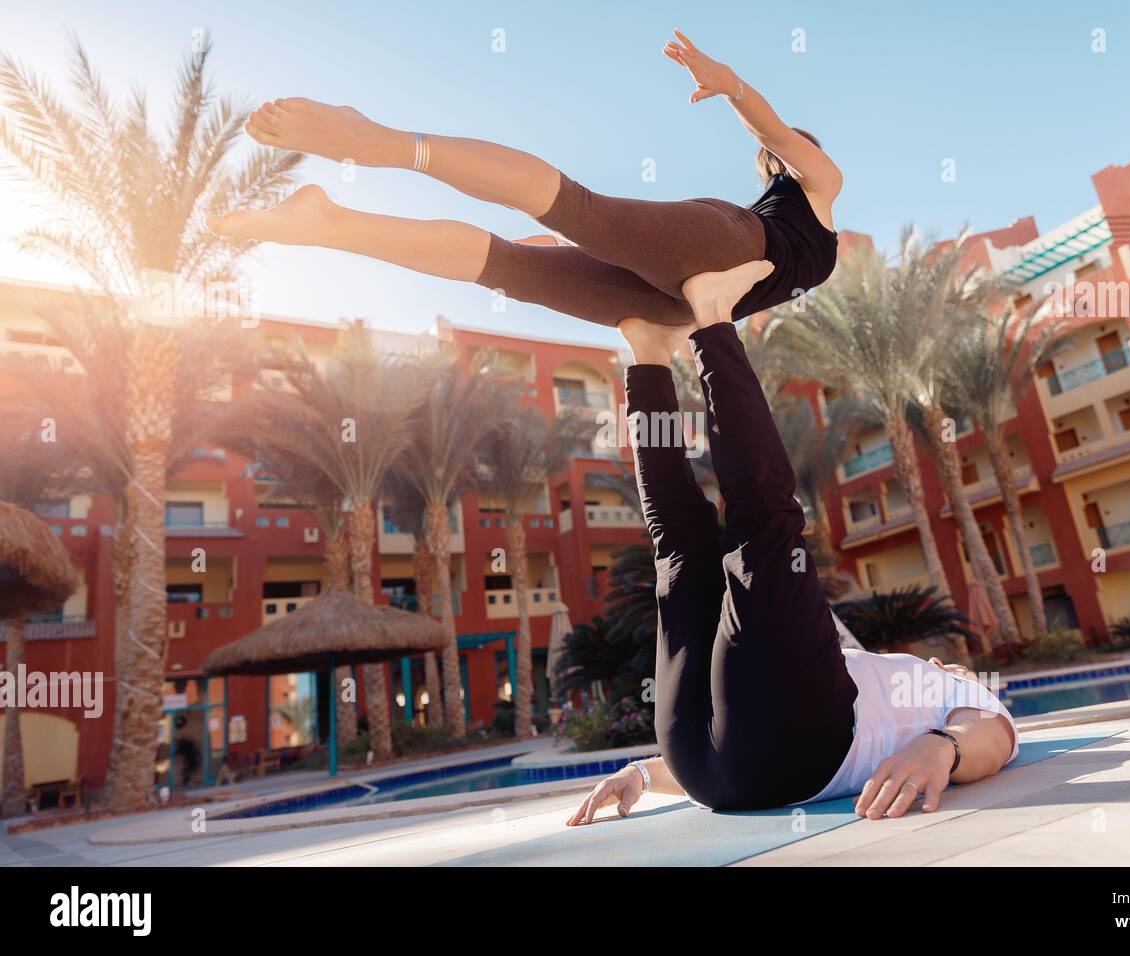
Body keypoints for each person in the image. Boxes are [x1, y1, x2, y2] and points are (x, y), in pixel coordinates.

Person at [565, 291, 1019, 824]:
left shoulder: (962, 695)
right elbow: (736, 724)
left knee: (765, 525)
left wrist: (940, 748)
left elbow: (995, 736)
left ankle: (711, 320)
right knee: (681, 544)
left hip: (789, 755)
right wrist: (641, 775)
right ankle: (648, 355)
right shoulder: (882, 672)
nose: (952, 664)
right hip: (703, 764)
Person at [207, 31, 841, 329]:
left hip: (685, 306)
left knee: (512, 270)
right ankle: (379, 141)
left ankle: (331, 225)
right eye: (770, 164)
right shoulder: (804, 188)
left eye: (776, 163)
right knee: (581, 212)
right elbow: (777, 136)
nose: (775, 162)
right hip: (730, 244)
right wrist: (731, 84)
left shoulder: (815, 195)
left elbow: (782, 144)